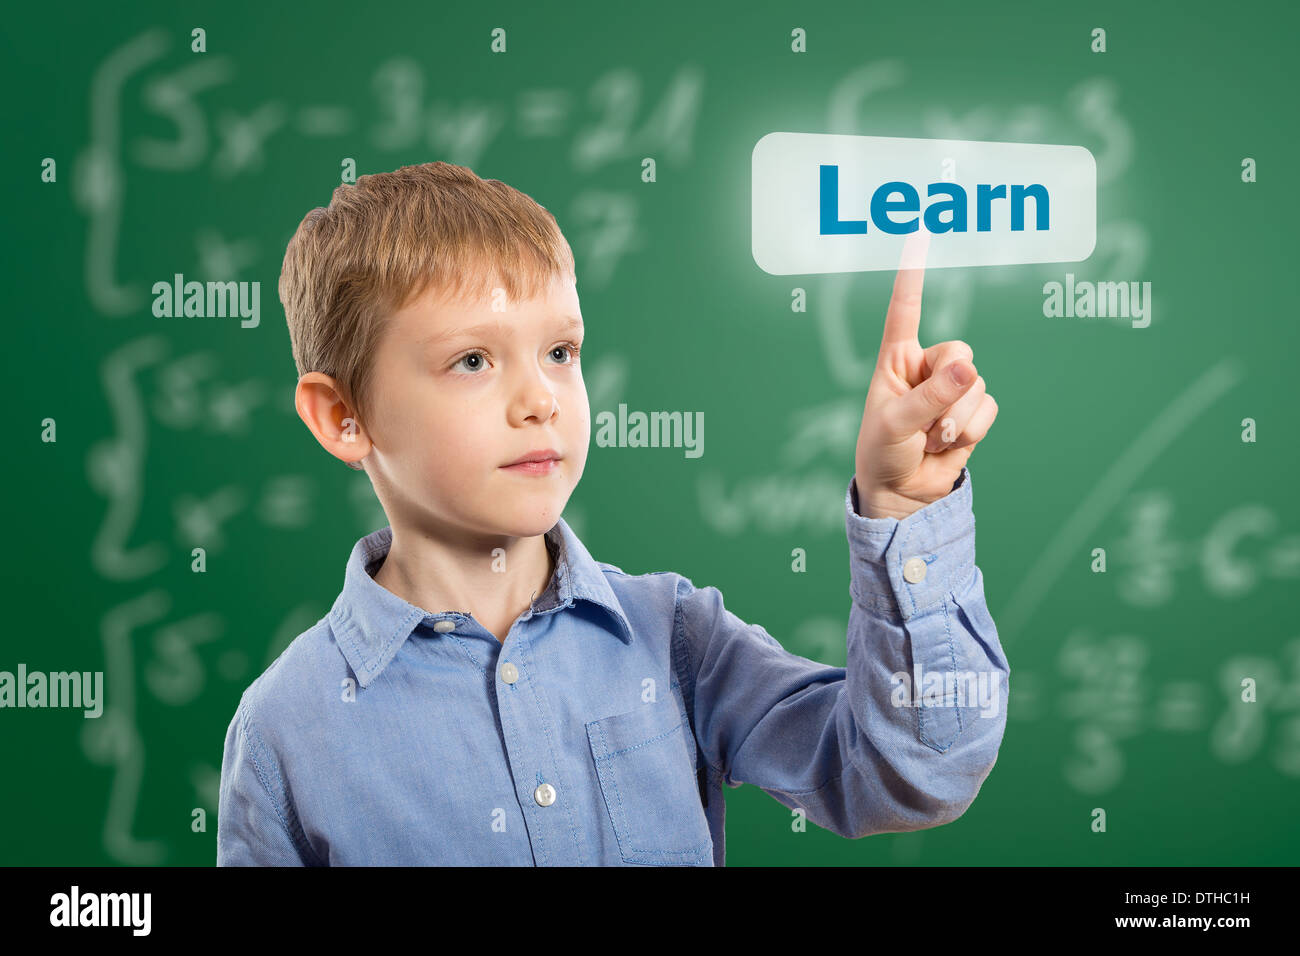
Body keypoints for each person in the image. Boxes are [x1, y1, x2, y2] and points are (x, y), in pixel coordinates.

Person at [216, 161, 1007, 866]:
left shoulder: (677, 637)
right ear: (342, 416)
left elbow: (908, 777)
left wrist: (905, 506)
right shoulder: (286, 731)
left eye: (560, 352)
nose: (539, 402)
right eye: (471, 360)